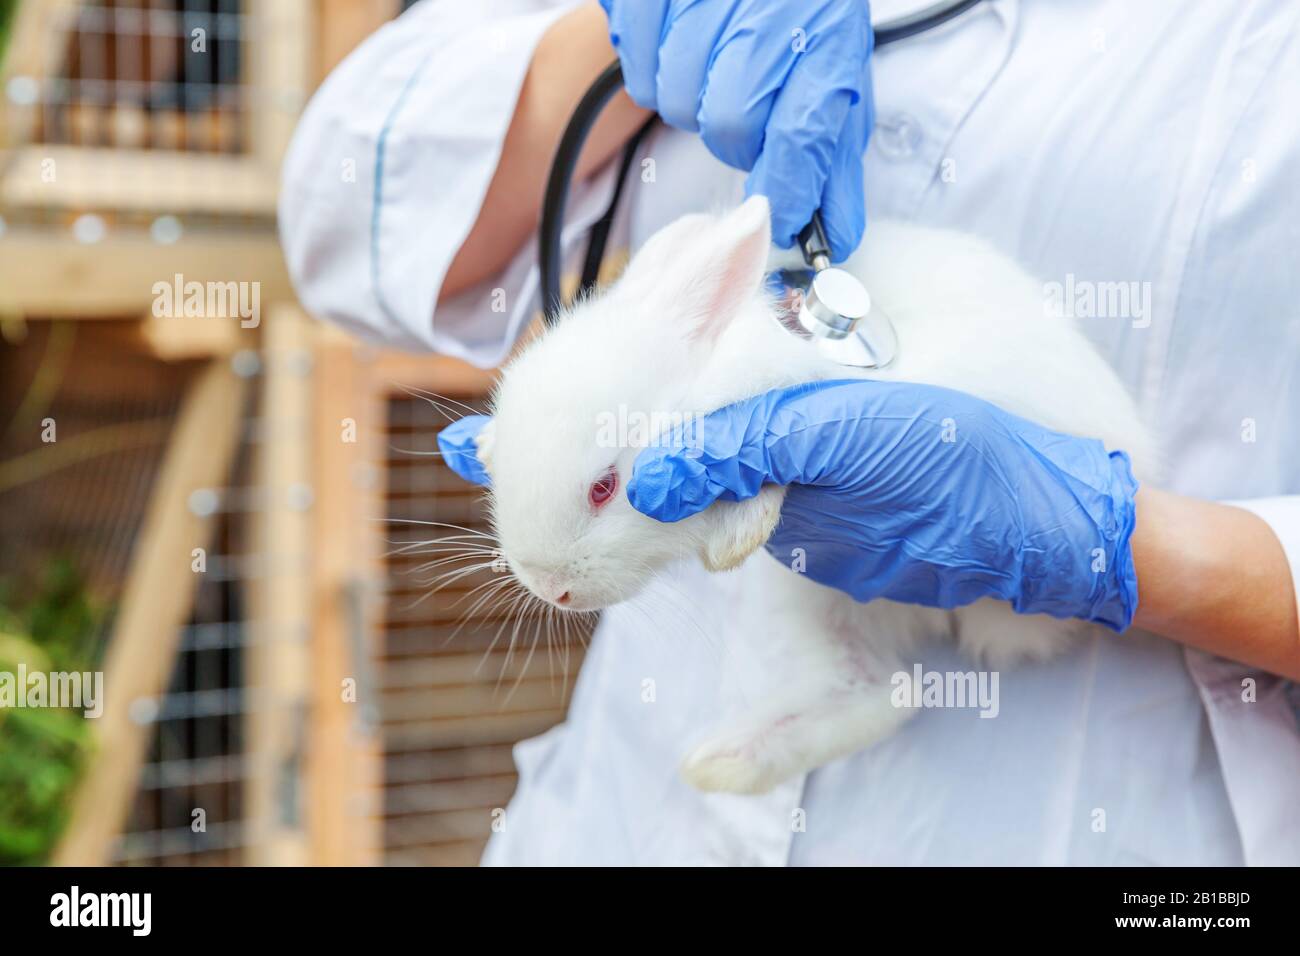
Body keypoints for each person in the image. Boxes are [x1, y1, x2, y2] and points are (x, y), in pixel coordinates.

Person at [279, 0, 1300, 864]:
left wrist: (1129, 549)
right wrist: (617, 35)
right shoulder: (664, 335)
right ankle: (837, 684)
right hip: (627, 820)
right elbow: (339, 208)